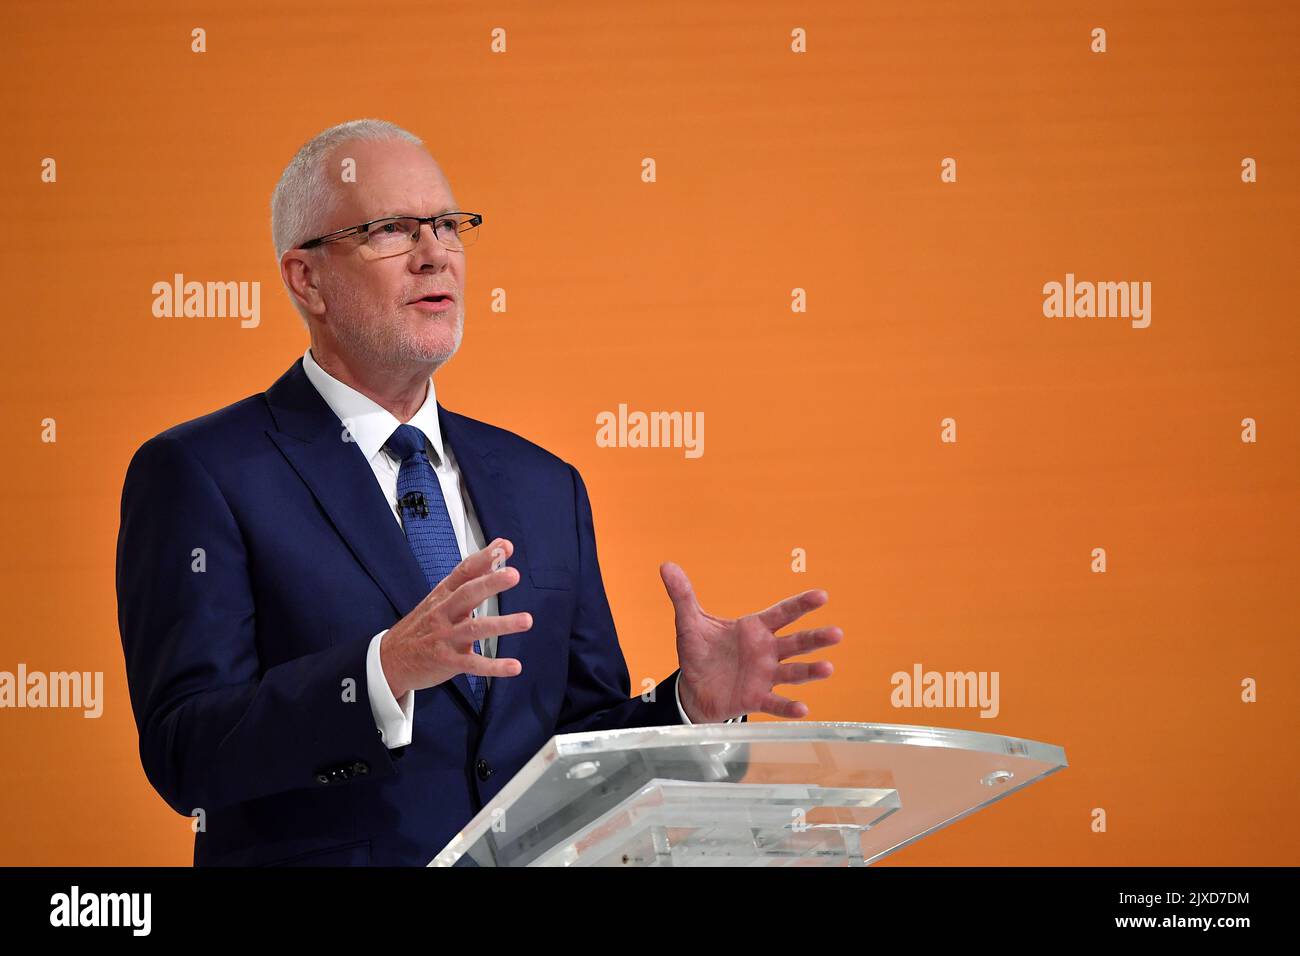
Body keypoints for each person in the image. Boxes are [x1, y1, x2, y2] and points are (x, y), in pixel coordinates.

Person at [115, 118, 842, 866]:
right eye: (392, 230)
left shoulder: (543, 483)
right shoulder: (202, 472)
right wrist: (383, 671)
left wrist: (688, 708)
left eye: (449, 226)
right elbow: (185, 753)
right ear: (307, 280)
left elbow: (573, 753)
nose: (435, 255)